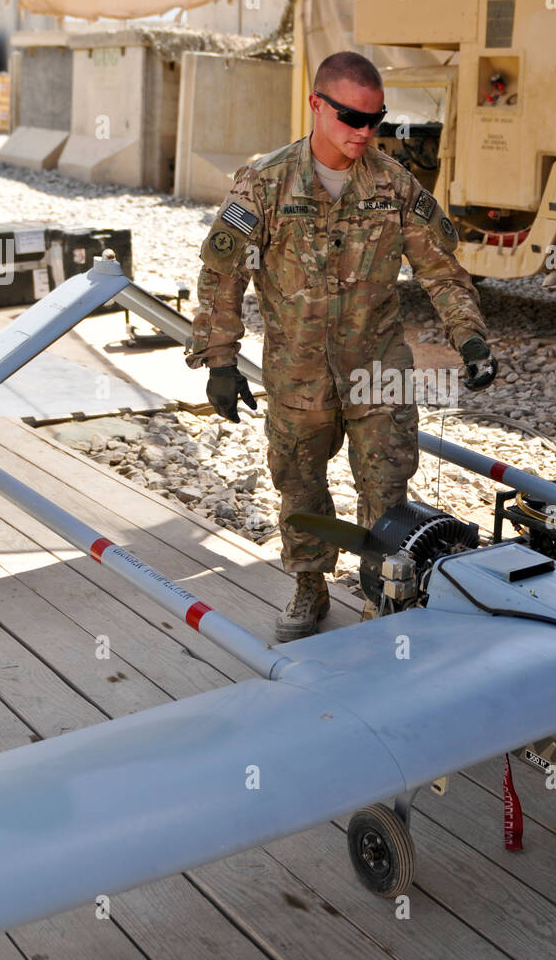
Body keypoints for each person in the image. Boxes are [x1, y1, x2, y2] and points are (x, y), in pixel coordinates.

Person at [186, 50, 497, 641]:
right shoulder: (266, 181)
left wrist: (471, 339)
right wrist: (220, 361)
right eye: (351, 118)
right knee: (300, 484)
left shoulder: (394, 185)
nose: (363, 133)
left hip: (378, 369)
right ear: (316, 105)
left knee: (385, 487)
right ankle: (309, 588)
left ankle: (384, 602)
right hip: (297, 373)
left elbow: (441, 271)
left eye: (374, 119)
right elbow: (223, 275)